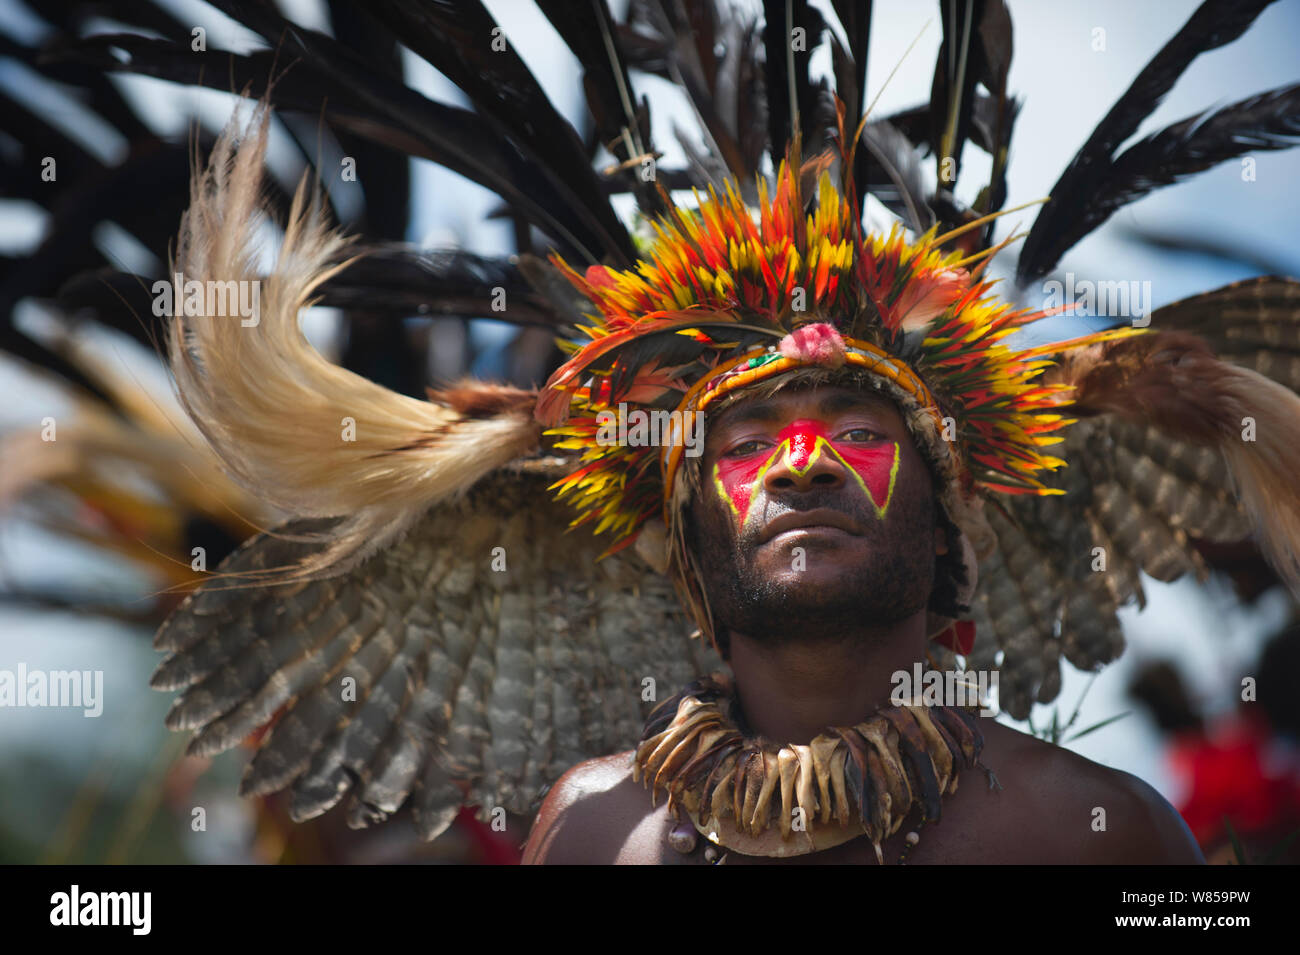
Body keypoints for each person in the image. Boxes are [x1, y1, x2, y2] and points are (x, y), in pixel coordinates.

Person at [522, 379, 1204, 864]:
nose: (803, 462)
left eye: (858, 433)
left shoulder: (1100, 829)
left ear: (942, 524)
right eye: (750, 443)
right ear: (694, 550)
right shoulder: (592, 834)